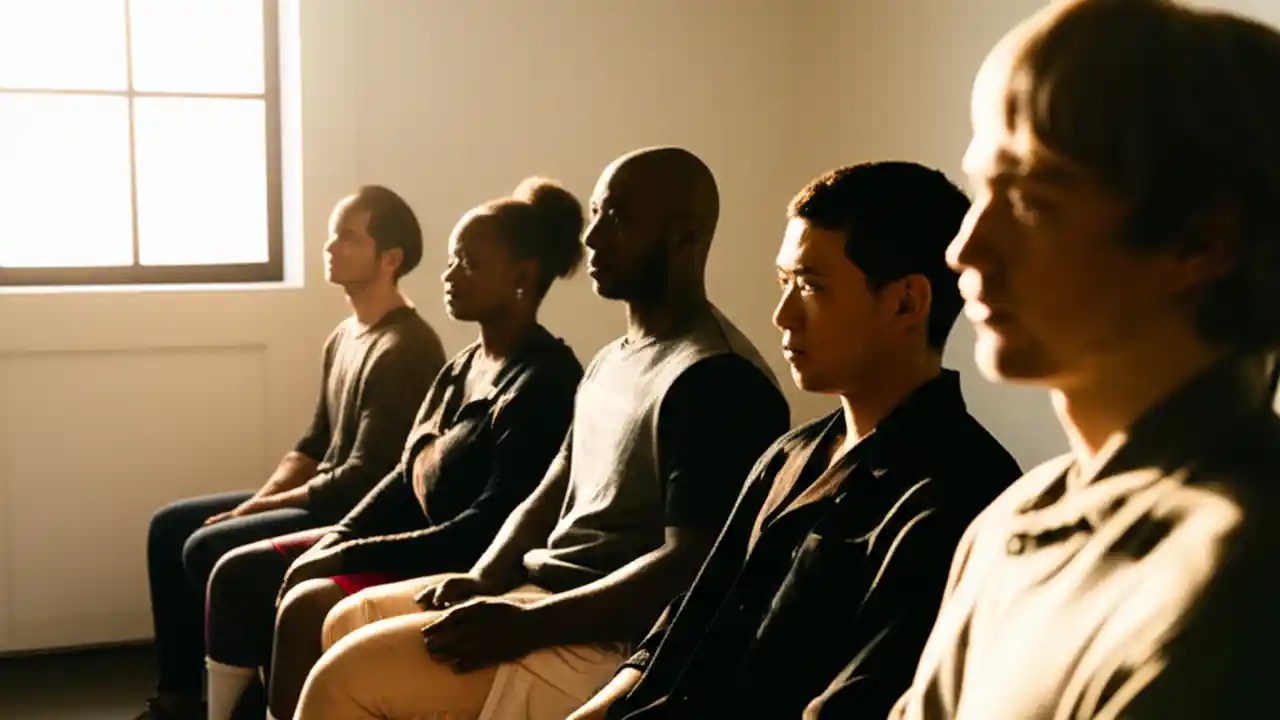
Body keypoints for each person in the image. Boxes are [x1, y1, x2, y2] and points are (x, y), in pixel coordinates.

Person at [878, 1, 1280, 718]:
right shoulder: (1008, 524)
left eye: (1030, 197)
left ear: (1200, 242)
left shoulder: (1238, 571)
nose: (964, 249)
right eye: (980, 190)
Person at [292, 147, 791, 719]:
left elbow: (690, 567)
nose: (594, 237)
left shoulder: (717, 378)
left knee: (344, 680)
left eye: (619, 218)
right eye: (597, 213)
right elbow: (551, 488)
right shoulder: (610, 360)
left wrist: (527, 623)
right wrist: (482, 579)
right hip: (543, 598)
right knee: (345, 618)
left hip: (613, 638)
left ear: (685, 237)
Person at [569, 162, 1021, 720]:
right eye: (784, 283)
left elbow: (860, 700)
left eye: (810, 286)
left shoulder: (959, 497)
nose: (783, 316)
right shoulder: (786, 456)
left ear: (906, 303)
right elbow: (689, 618)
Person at [199, 178, 588, 720]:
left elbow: (487, 525)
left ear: (521, 278)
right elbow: (405, 477)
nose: (449, 276)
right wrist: (337, 537)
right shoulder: (460, 368)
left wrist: (347, 555)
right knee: (278, 576)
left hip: (463, 562)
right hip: (419, 542)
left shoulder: (544, 384)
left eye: (468, 264)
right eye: (452, 260)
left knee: (305, 606)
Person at [136, 186, 446, 720]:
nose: (330, 245)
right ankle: (179, 698)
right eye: (332, 233)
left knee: (205, 548)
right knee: (169, 528)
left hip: (352, 513)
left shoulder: (407, 349)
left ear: (390, 257)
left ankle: (244, 694)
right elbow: (313, 442)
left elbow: (361, 479)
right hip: (323, 492)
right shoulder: (345, 335)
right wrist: (256, 500)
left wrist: (254, 512)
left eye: (348, 236)